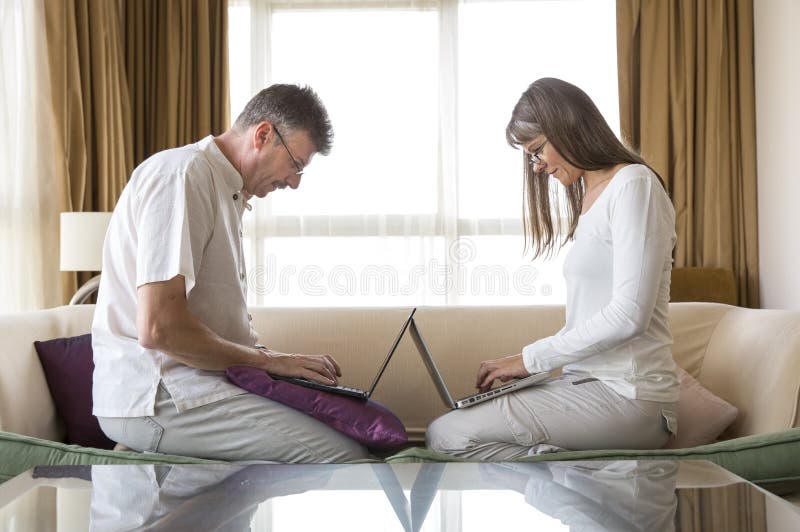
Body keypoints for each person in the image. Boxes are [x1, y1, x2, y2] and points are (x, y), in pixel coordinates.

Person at [91, 84, 368, 462]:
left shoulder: (227, 191)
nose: (295, 182)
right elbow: (159, 328)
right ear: (263, 134)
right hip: (161, 394)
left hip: (199, 385)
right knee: (347, 457)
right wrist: (270, 363)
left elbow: (207, 321)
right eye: (296, 165)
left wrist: (276, 362)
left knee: (353, 423)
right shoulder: (183, 176)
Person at [426, 77, 680, 459]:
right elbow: (589, 322)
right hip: (587, 383)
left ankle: (564, 477)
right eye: (530, 155)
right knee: (449, 426)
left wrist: (529, 359)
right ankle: (571, 477)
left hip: (631, 395)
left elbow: (629, 316)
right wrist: (527, 368)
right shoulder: (594, 198)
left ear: (569, 125)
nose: (537, 165)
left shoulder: (633, 185)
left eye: (538, 149)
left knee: (449, 436)